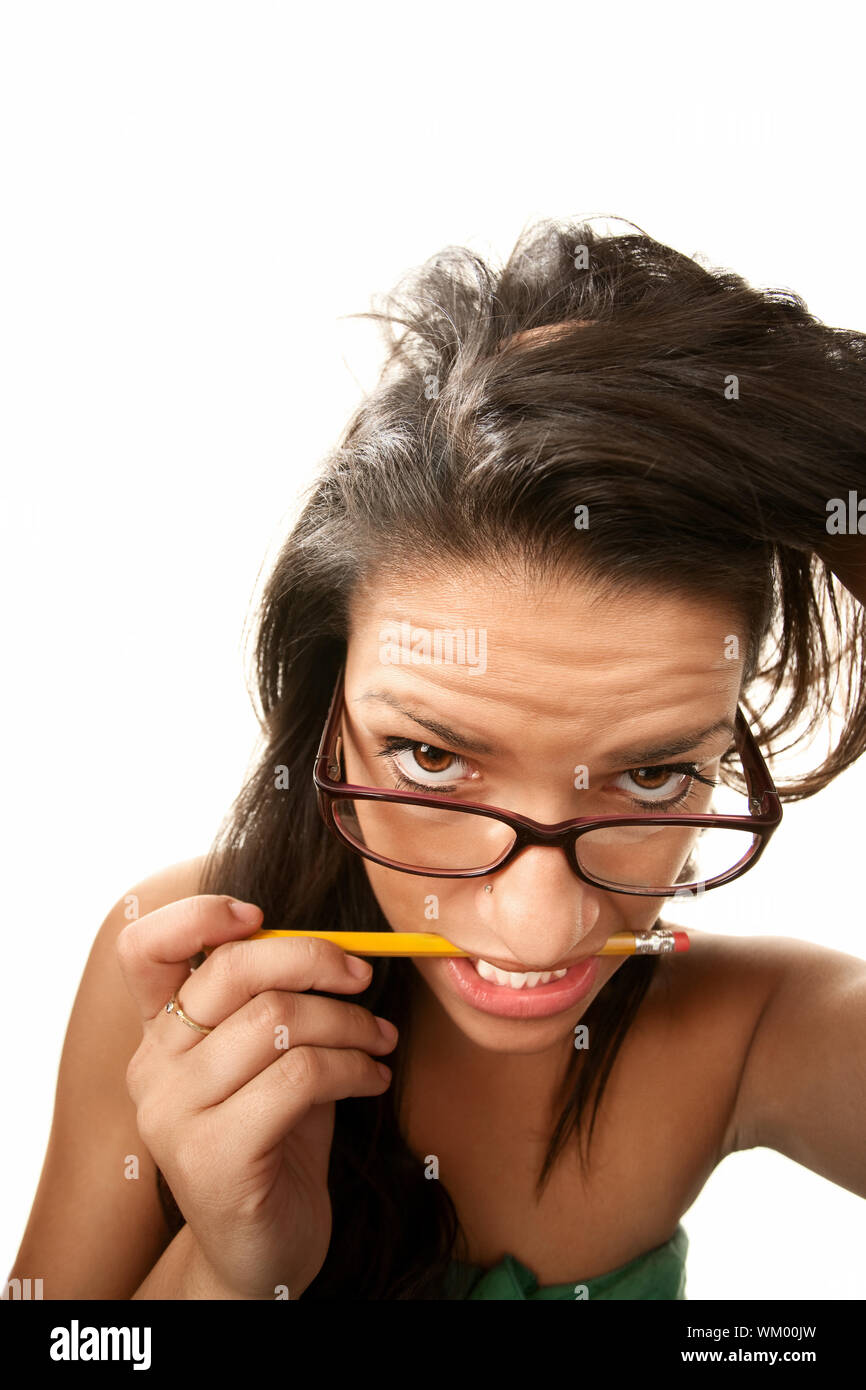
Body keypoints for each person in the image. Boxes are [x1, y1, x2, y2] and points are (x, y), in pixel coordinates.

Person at [8, 216, 866, 1301]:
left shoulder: (760, 1031)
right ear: (325, 708)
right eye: (429, 758)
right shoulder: (178, 971)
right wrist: (229, 1269)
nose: (539, 924)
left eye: (653, 775)